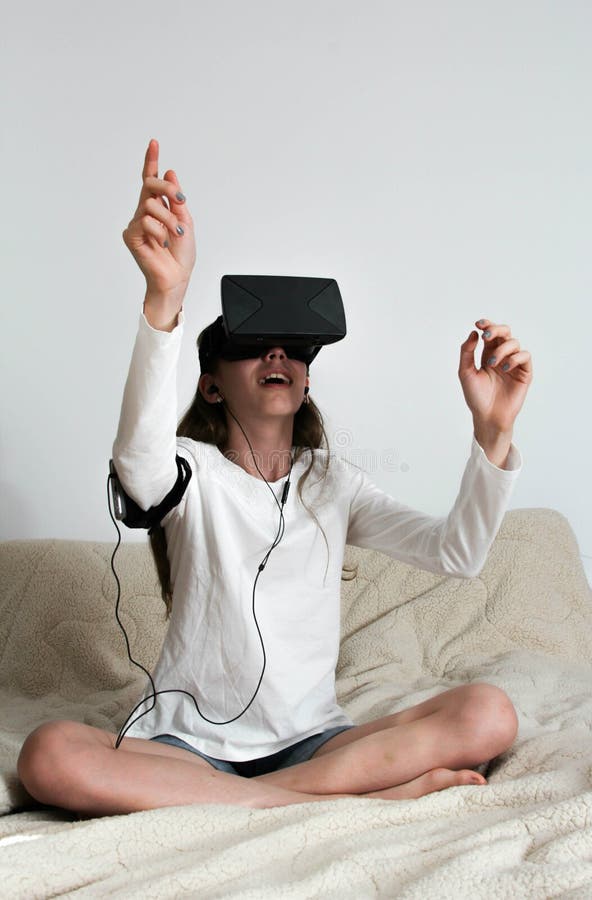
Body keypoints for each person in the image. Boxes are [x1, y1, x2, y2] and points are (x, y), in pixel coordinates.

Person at [17, 139, 533, 819]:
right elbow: (139, 469)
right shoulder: (190, 472)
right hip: (185, 746)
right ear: (210, 385)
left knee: (489, 713)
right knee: (48, 755)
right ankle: (316, 798)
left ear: (309, 374)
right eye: (254, 346)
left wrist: (492, 434)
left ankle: (265, 797)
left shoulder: (334, 482)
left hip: (314, 742)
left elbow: (457, 554)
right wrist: (164, 297)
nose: (277, 354)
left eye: (293, 347)